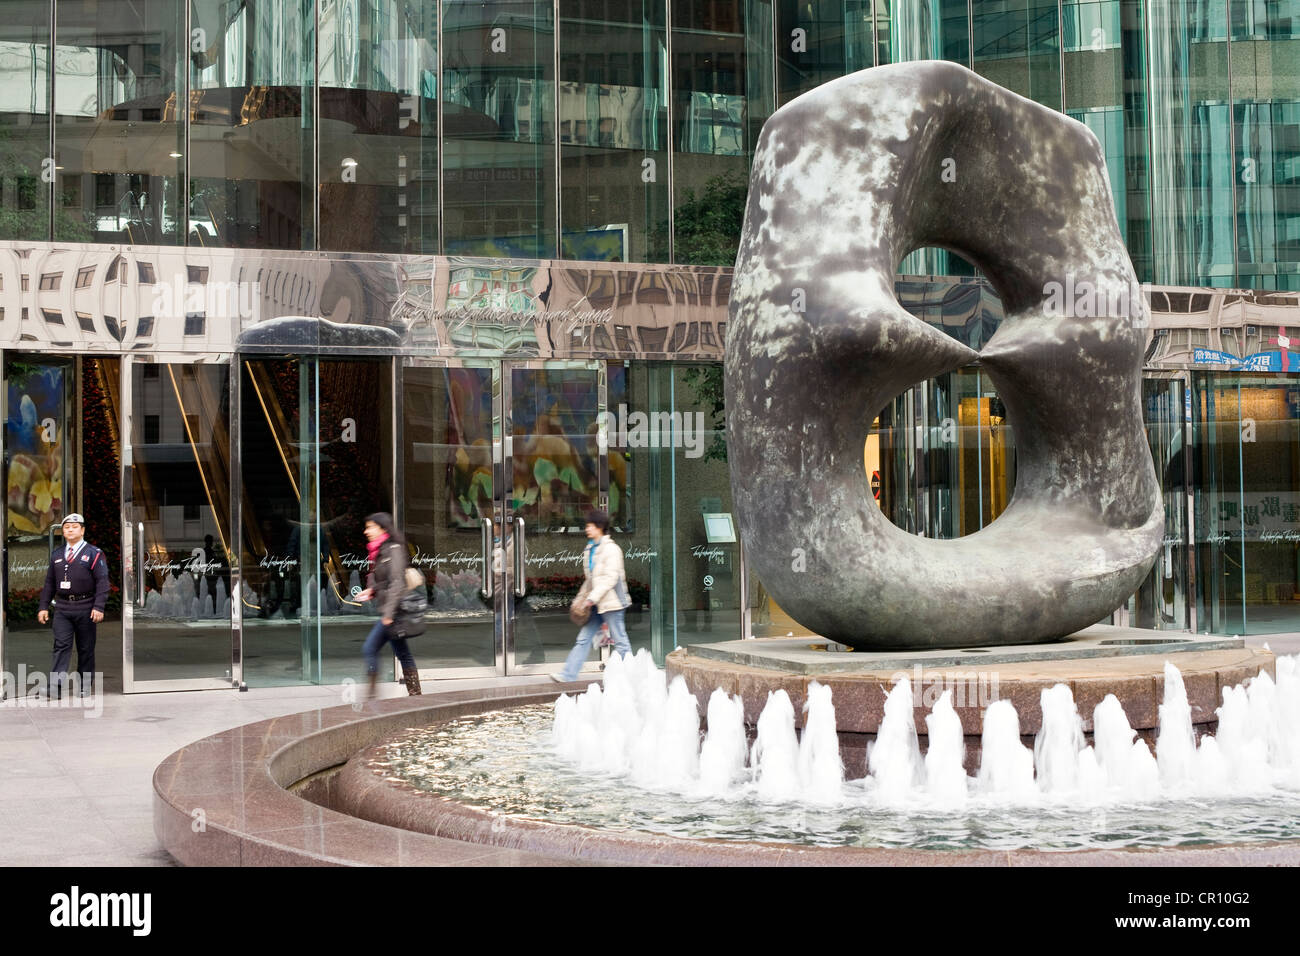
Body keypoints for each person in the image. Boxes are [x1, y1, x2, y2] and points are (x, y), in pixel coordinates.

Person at [37, 513, 110, 698]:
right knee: (61, 646)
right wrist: (43, 606)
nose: (70, 529)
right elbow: (49, 583)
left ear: (82, 530)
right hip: (63, 608)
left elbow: (102, 582)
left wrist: (99, 607)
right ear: (63, 531)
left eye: (74, 526)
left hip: (86, 607)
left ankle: (84, 685)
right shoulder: (57, 555)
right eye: (67, 527)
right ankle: (55, 687)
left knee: (85, 648)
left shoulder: (94, 553)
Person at [555, 509, 632, 682]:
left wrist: (591, 598)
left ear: (600, 527)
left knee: (620, 641)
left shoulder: (612, 549)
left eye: (590, 526)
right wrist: (581, 599)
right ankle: (568, 675)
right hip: (596, 603)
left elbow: (610, 578)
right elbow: (590, 581)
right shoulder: (590, 549)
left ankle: (631, 677)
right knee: (583, 639)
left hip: (613, 603)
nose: (587, 529)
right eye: (587, 526)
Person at [356, 512, 421, 698]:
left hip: (394, 611)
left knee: (370, 648)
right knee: (402, 653)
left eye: (370, 527)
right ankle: (415, 695)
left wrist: (388, 614)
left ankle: (371, 695)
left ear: (382, 528)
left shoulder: (393, 549)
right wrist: (371, 591)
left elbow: (397, 582)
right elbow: (382, 580)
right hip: (390, 610)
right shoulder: (379, 550)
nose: (366, 531)